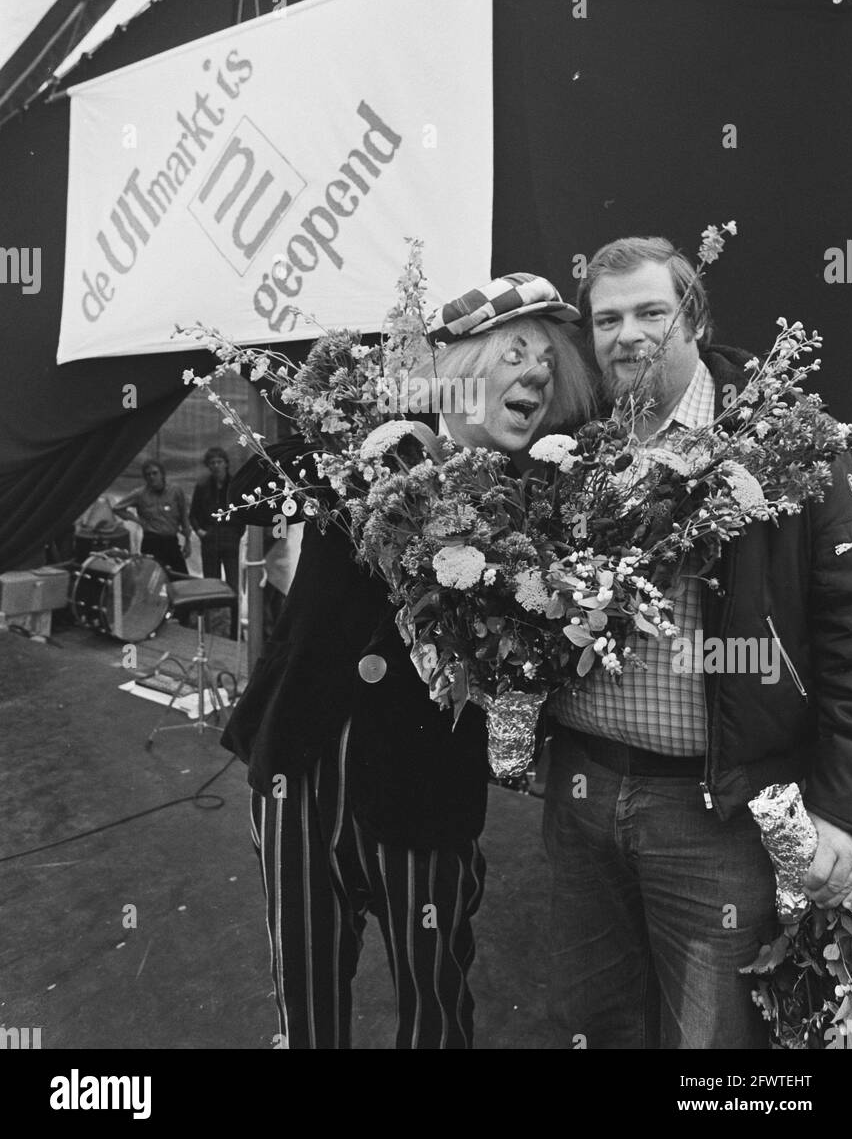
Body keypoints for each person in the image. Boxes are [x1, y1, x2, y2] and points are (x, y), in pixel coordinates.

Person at [221, 273, 594, 1049]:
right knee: (307, 1001)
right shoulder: (371, 437)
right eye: (514, 353)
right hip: (299, 763)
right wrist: (338, 452)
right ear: (462, 366)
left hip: (425, 792)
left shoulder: (545, 505)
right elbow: (239, 494)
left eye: (549, 366)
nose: (535, 374)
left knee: (435, 1005)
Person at [543, 235, 852, 1050]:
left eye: (653, 310)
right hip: (581, 792)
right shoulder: (570, 445)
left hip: (718, 812)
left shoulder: (787, 439)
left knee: (716, 1054)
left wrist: (844, 812)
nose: (629, 334)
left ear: (695, 318)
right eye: (607, 318)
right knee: (599, 1024)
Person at [190, 447, 245, 637]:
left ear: (226, 463)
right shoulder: (203, 487)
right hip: (210, 542)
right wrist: (200, 532)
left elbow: (242, 511)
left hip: (230, 541)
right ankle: (210, 630)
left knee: (233, 587)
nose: (216, 465)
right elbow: (193, 515)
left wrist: (237, 533)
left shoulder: (235, 485)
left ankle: (233, 632)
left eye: (219, 461)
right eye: (212, 462)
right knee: (210, 586)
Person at [114, 460, 191, 575]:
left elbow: (184, 515)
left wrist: (188, 542)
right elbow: (117, 508)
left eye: (155, 473)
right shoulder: (140, 494)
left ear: (162, 474)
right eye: (148, 475)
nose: (152, 477)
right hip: (151, 541)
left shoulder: (175, 491)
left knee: (180, 577)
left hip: (171, 542)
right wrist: (136, 520)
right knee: (151, 579)